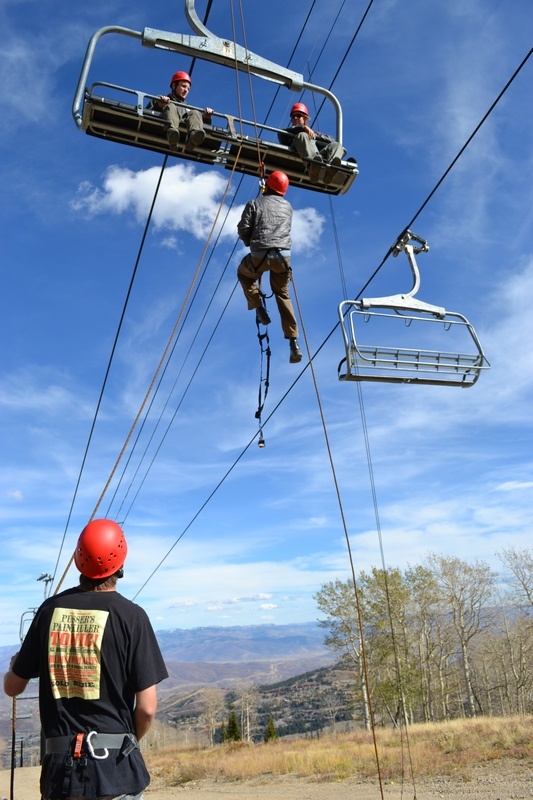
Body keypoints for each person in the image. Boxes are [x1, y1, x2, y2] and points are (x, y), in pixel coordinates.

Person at [3, 518, 168, 800]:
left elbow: (13, 688)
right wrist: (124, 743)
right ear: (121, 560)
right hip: (117, 772)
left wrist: (12, 668)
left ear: (78, 557)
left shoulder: (48, 611)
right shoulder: (132, 616)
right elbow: (148, 708)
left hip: (60, 776)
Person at [237, 171, 302, 364]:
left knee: (245, 275)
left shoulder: (254, 203)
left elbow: (243, 229)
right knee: (283, 295)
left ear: (267, 186)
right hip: (283, 257)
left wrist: (250, 242)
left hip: (259, 255)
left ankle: (259, 308)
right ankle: (293, 341)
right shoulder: (288, 207)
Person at [278, 102, 346, 184]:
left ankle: (331, 168)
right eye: (293, 116)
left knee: (336, 145)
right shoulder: (289, 133)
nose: (295, 118)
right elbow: (281, 134)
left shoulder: (314, 133)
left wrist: (314, 136)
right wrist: (303, 128)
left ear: (305, 118)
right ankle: (312, 167)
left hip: (318, 156)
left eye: (298, 116)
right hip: (300, 152)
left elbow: (331, 140)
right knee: (302, 135)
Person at [148, 70, 213, 152]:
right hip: (162, 128)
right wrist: (159, 105)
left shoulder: (188, 109)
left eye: (188, 89)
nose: (186, 90)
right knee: (171, 106)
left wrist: (206, 118)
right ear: (174, 86)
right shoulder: (160, 99)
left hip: (183, 128)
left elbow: (205, 129)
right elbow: (146, 114)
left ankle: (193, 138)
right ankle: (172, 133)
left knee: (196, 112)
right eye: (183, 86)